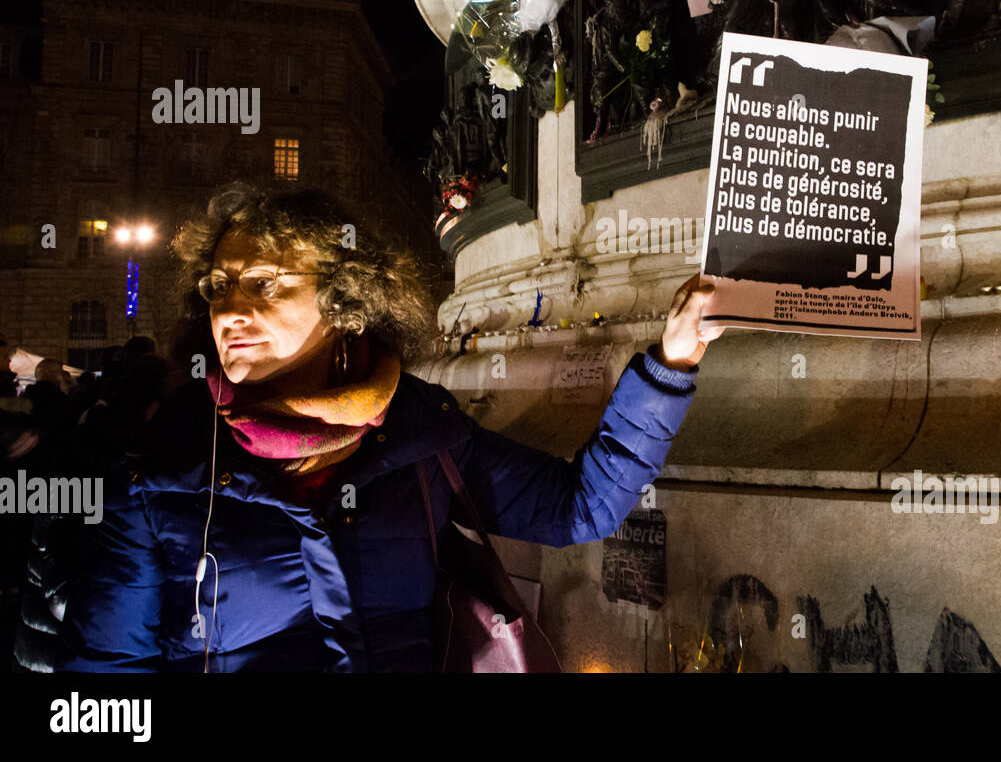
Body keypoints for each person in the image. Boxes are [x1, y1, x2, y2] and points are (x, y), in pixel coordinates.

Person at [37, 182, 722, 672]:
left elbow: (581, 507)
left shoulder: (419, 433)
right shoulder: (158, 471)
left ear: (348, 306)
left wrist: (672, 362)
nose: (230, 313)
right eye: (219, 286)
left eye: (265, 285)